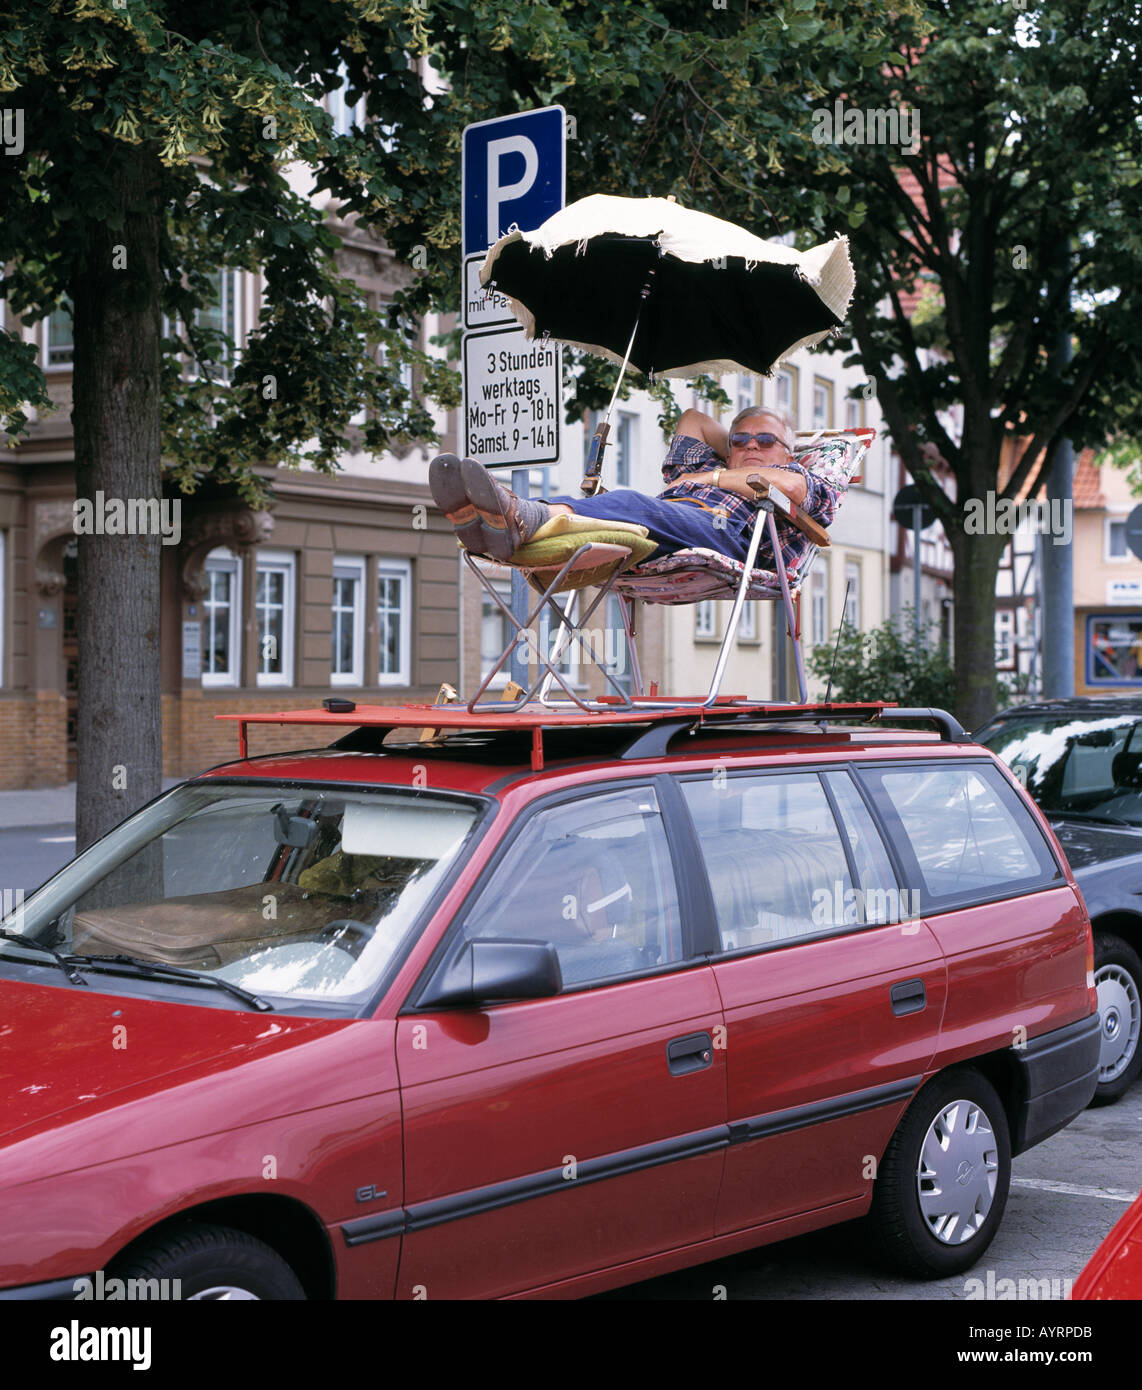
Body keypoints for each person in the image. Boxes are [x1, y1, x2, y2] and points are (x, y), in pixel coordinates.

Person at [429, 406, 838, 575]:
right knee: (601, 527)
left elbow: (788, 484)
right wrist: (735, 448)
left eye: (765, 441)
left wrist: (710, 480)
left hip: (732, 537)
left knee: (632, 503)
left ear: (788, 451)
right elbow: (693, 418)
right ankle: (488, 530)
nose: (751, 446)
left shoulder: (804, 476)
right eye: (741, 440)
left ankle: (524, 514)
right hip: (669, 528)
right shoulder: (713, 460)